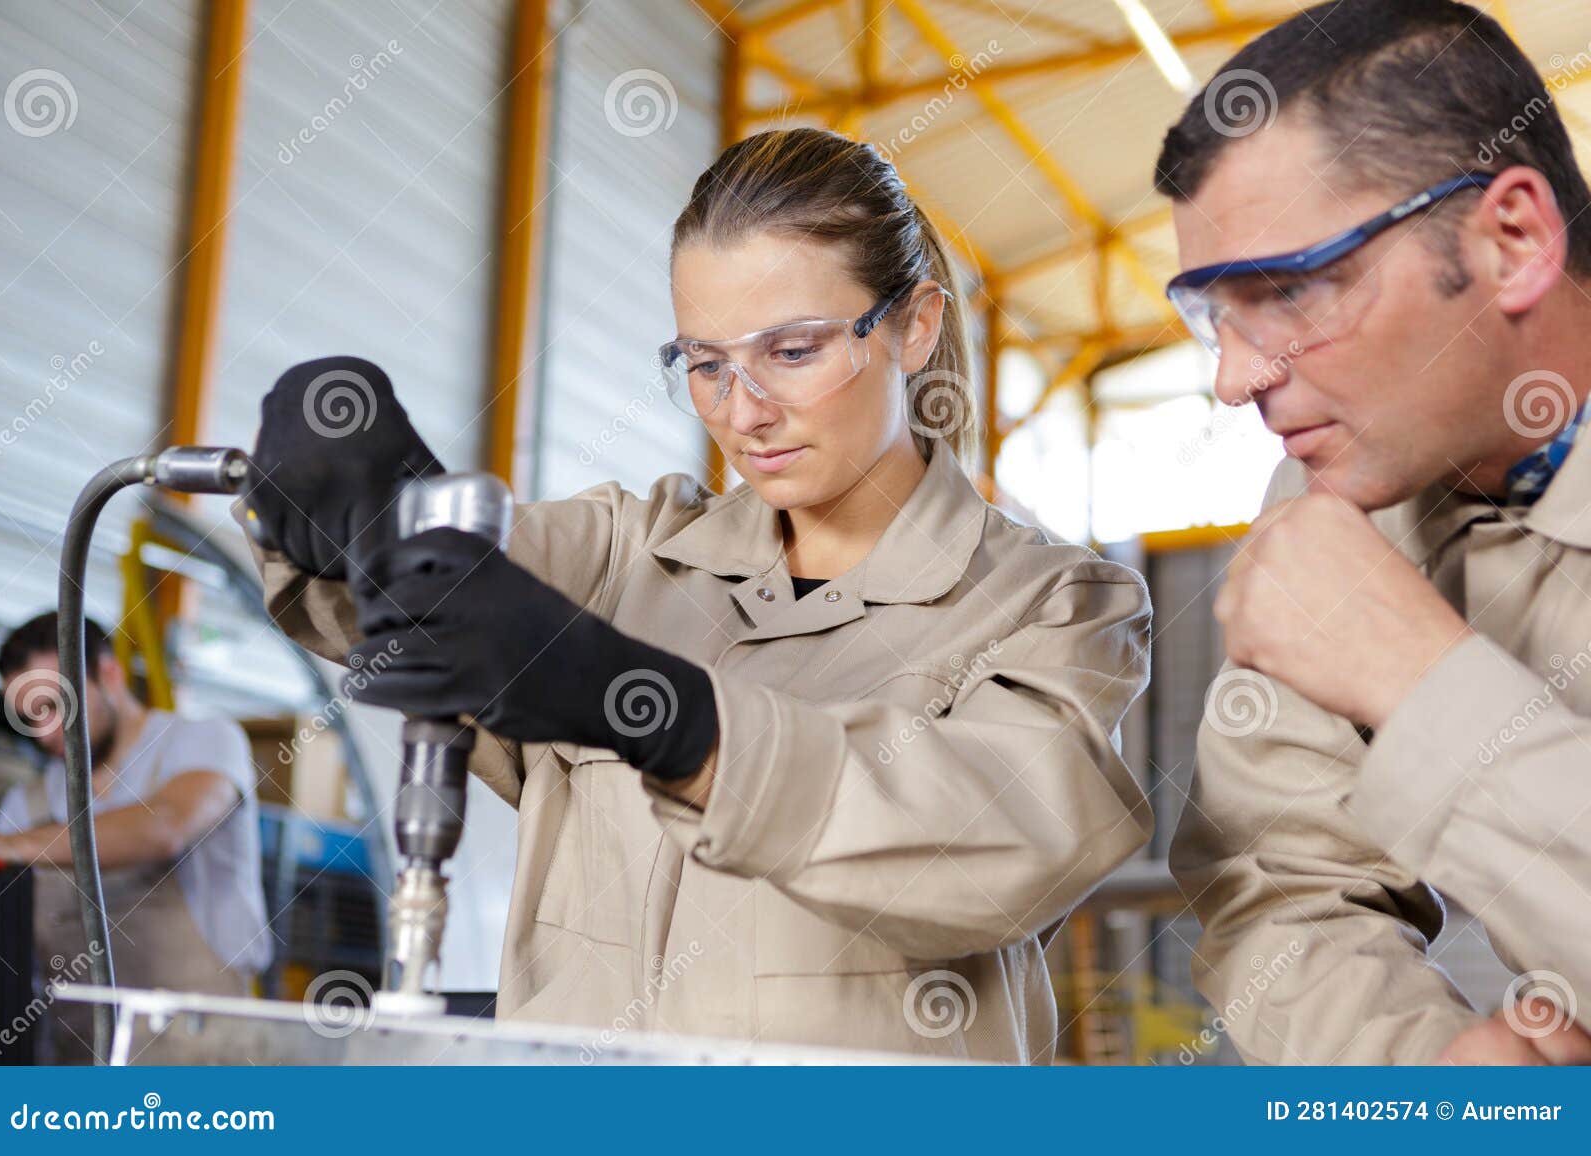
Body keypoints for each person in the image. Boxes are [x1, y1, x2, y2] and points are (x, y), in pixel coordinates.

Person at [245, 127, 1153, 1063]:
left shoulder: (1052, 602)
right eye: (705, 365)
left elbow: (1004, 848)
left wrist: (677, 725)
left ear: (914, 325)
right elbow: (408, 593)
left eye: (792, 351)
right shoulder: (627, 554)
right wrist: (351, 499)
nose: (743, 413)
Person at [1157, 0, 1591, 1064]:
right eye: (1214, 312)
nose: (1232, 378)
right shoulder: (1328, 506)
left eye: (1294, 288)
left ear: (1514, 239)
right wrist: (1424, 1079)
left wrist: (1417, 681)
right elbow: (1283, 886)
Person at [0, 612, 272, 1063]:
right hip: (84, 1071)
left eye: (53, 708)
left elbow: (165, 827)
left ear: (109, 673)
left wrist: (8, 846)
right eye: (29, 718)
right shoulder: (28, 804)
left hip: (208, 1065)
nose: (44, 734)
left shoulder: (202, 741)